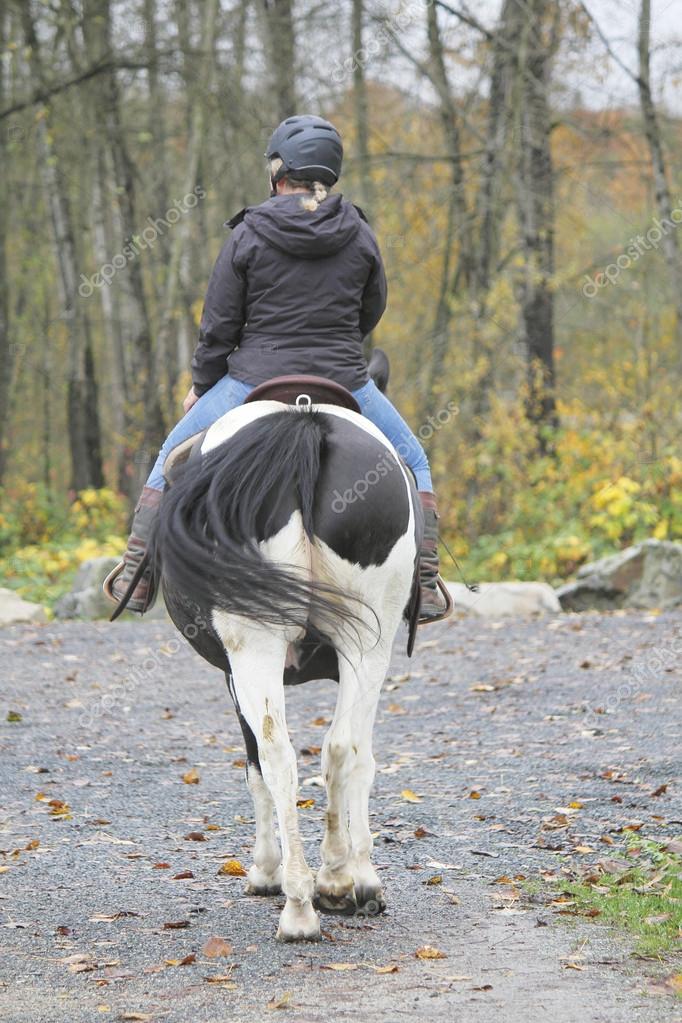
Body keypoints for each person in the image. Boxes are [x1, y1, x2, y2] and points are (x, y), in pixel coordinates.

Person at [107, 115, 445, 620]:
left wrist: (202, 387)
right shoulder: (358, 231)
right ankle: (425, 585)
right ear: (329, 172)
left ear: (278, 171)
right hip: (344, 378)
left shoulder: (248, 232)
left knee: (166, 456)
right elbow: (371, 310)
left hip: (253, 380)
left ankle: (139, 574)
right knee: (415, 461)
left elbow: (219, 325)